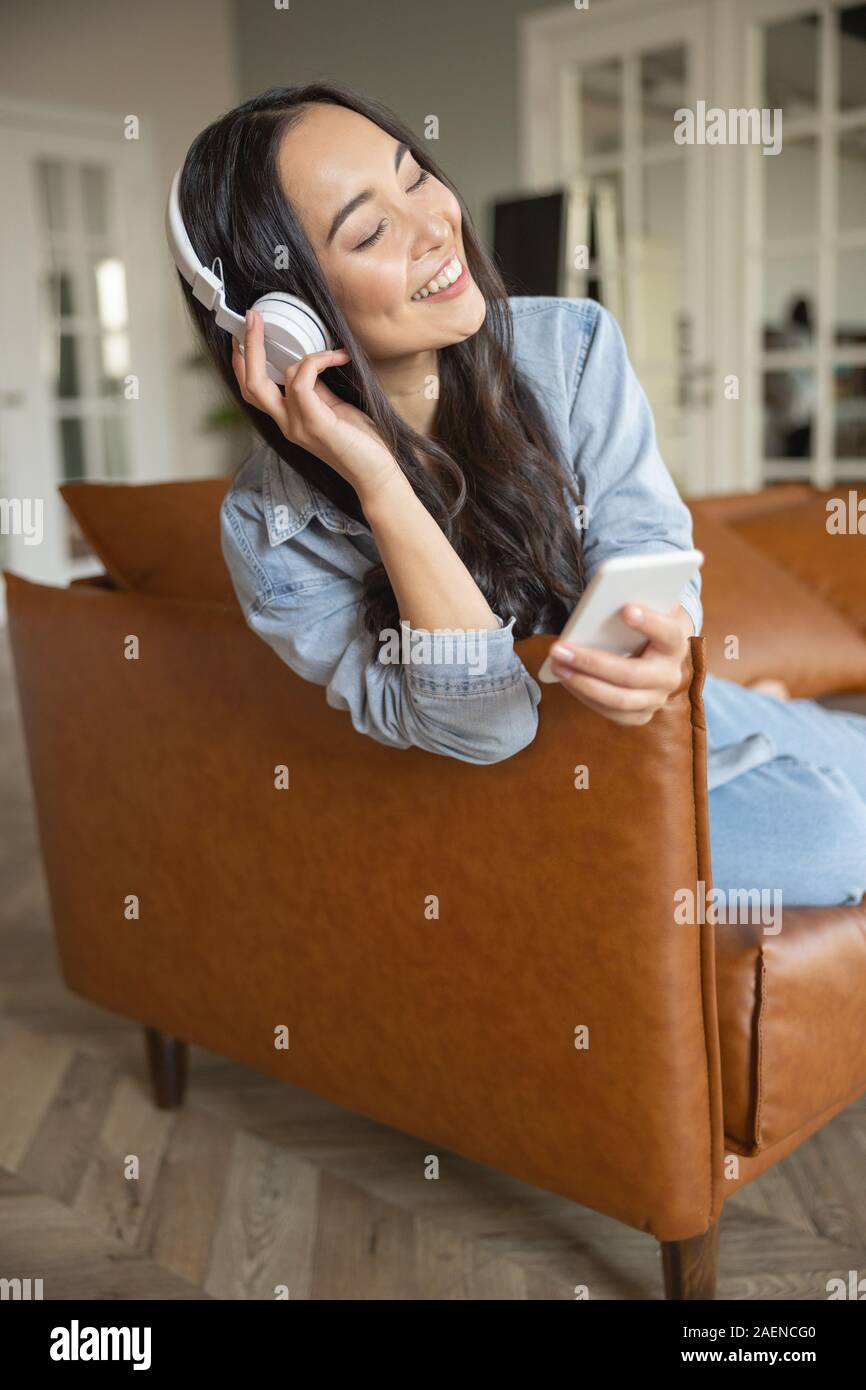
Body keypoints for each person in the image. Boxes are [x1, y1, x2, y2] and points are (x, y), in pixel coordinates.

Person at [171, 82, 866, 910]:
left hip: (656, 728)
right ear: (284, 320)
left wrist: (664, 637)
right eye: (370, 230)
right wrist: (384, 485)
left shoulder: (568, 348)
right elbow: (487, 728)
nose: (437, 226)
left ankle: (761, 716)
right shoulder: (271, 531)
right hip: (523, 795)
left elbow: (649, 545)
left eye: (417, 177)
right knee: (834, 835)